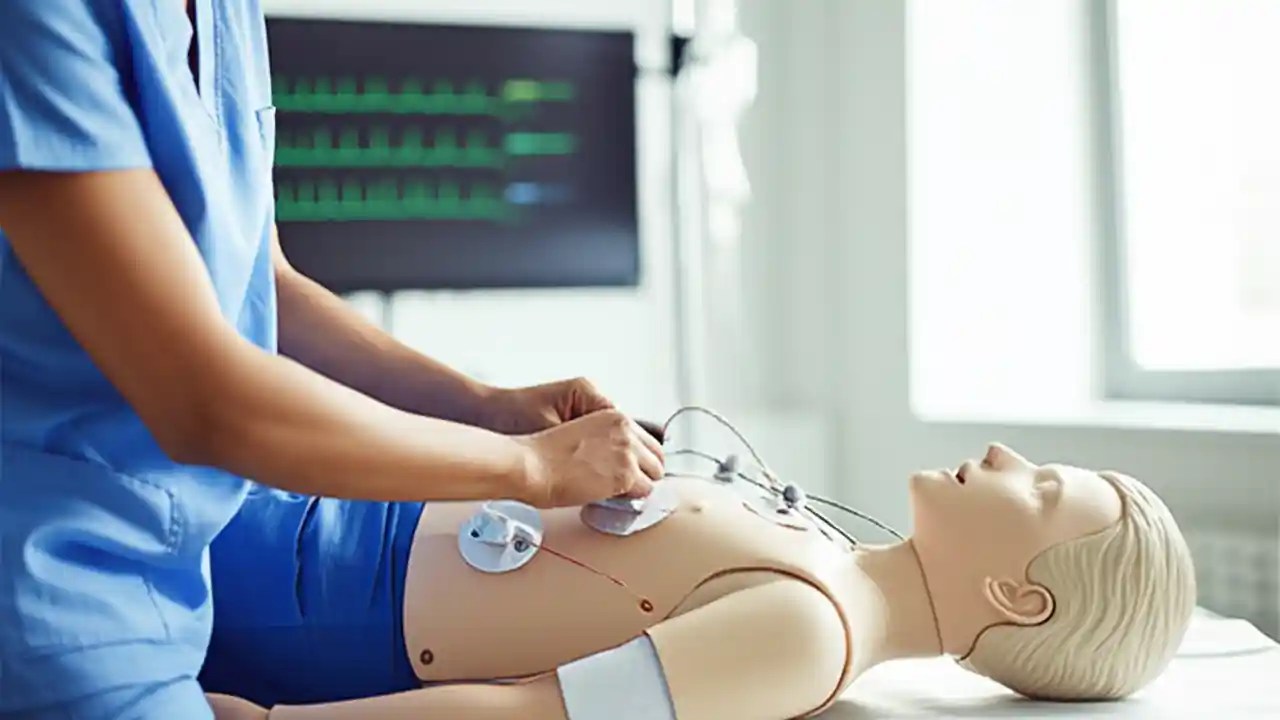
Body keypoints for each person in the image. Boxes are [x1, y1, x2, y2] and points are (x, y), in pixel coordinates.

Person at [0, 2, 663, 718]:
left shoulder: (227, 14)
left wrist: (486, 408)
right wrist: (534, 468)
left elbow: (261, 286)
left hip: (180, 556)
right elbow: (209, 404)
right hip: (47, 594)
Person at [197, 442, 1197, 720]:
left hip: (323, 607)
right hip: (334, 517)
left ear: (1016, 600)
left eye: (1040, 488)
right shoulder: (820, 551)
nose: (1001, 453)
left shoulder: (808, 638)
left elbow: (535, 715)